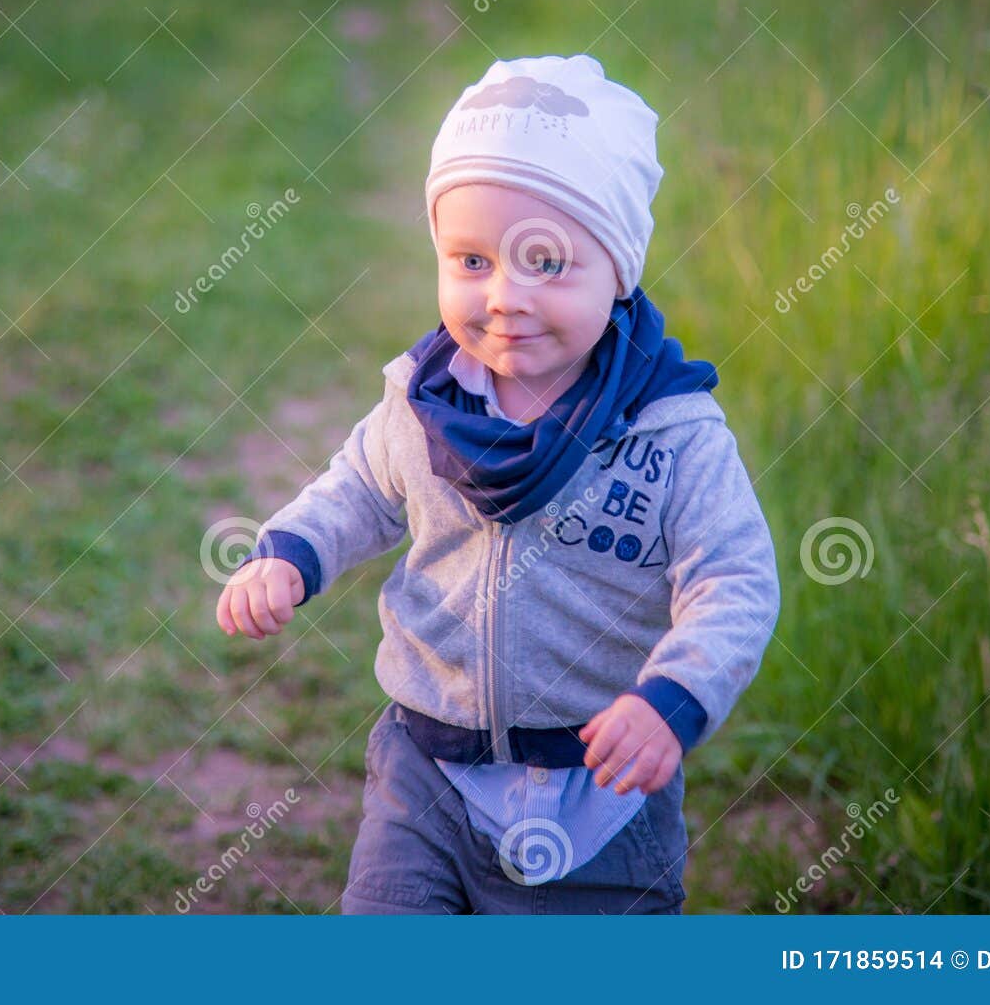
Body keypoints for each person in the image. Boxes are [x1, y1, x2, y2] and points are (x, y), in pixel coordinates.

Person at [214, 53, 780, 913]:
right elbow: (359, 486)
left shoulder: (671, 433)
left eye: (545, 262)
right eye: (472, 261)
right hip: (427, 774)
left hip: (602, 787)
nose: (506, 296)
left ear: (619, 268)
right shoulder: (427, 400)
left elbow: (734, 579)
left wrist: (675, 698)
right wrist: (290, 552)